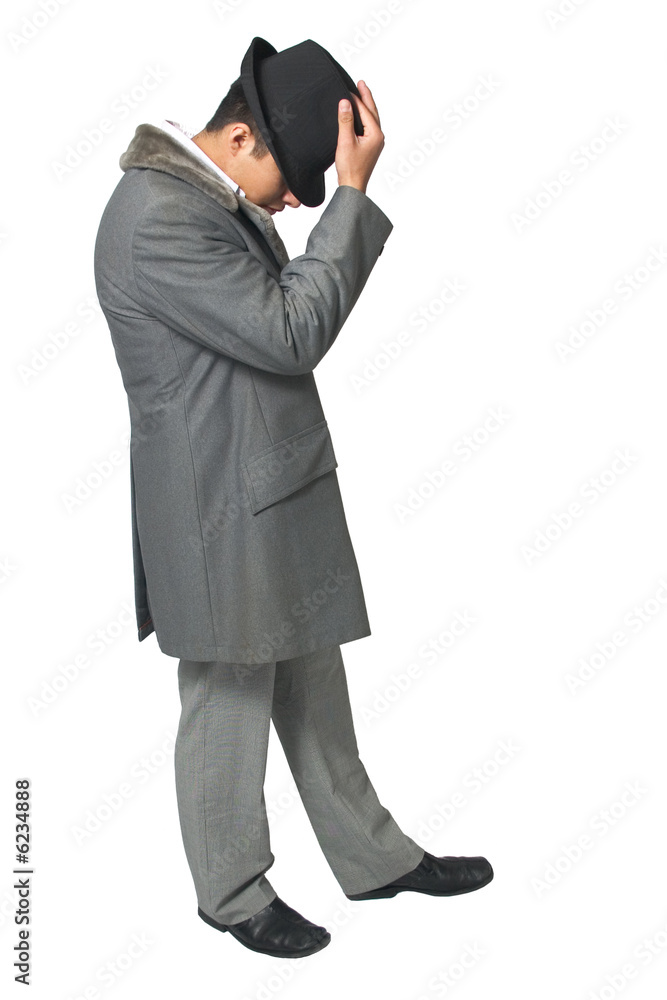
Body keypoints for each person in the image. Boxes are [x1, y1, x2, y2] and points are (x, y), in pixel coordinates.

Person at [93, 37, 493, 960]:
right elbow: (288, 331)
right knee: (228, 699)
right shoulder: (156, 216)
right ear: (240, 137)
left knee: (313, 686)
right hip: (217, 511)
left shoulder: (203, 198)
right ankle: (232, 894)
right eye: (294, 180)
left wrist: (329, 193)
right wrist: (351, 194)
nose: (298, 202)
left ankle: (373, 857)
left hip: (268, 490)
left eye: (313, 187)